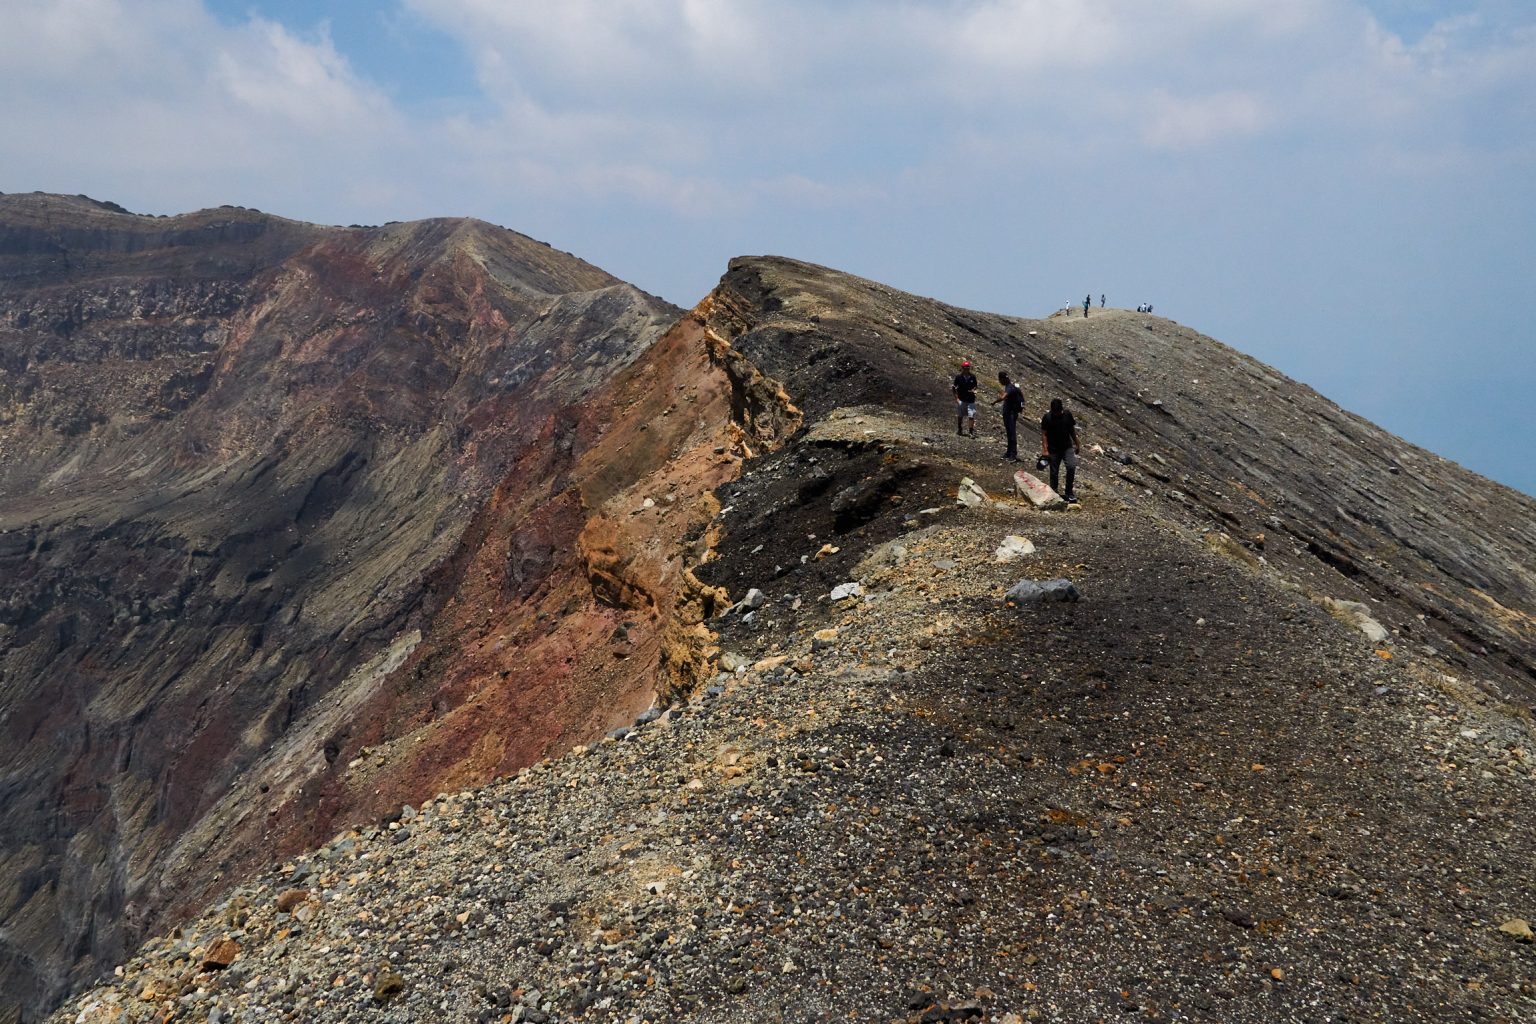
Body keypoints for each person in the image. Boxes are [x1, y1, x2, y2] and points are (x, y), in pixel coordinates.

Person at [1040, 397, 1080, 502]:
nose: (1057, 414)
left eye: (1059, 411)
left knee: (1071, 466)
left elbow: (1071, 430)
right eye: (1055, 412)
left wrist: (1077, 443)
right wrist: (1045, 449)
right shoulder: (1047, 418)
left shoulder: (1067, 415)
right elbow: (1044, 434)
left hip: (1067, 447)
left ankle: (1069, 492)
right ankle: (1053, 492)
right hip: (1053, 449)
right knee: (1054, 471)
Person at [991, 370, 1024, 460]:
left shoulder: (1009, 388)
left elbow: (1003, 397)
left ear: (1002, 379)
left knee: (1011, 433)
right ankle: (1009, 452)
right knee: (1009, 433)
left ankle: (1013, 453)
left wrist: (994, 402)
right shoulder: (1010, 386)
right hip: (1009, 413)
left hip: (1011, 414)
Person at [952, 359, 978, 437]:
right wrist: (957, 398)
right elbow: (954, 387)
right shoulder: (958, 377)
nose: (966, 369)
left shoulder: (973, 377)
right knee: (960, 415)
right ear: (962, 368)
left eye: (968, 368)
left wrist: (974, 390)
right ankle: (960, 429)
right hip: (962, 399)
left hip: (971, 399)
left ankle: (971, 431)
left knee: (971, 415)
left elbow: (975, 386)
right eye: (965, 368)